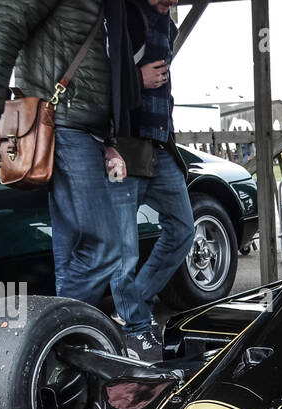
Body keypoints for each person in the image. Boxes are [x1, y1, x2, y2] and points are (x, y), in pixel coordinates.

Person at [0, 0, 118, 308]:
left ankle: (65, 331)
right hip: (64, 126)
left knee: (73, 251)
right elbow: (4, 23)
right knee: (105, 245)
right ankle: (61, 325)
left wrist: (110, 138)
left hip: (80, 129)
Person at [103, 0, 194, 364]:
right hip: (123, 145)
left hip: (159, 144)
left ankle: (131, 304)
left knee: (183, 229)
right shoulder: (120, 14)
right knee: (124, 251)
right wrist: (135, 79)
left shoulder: (166, 26)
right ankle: (136, 328)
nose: (172, 3)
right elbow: (96, 78)